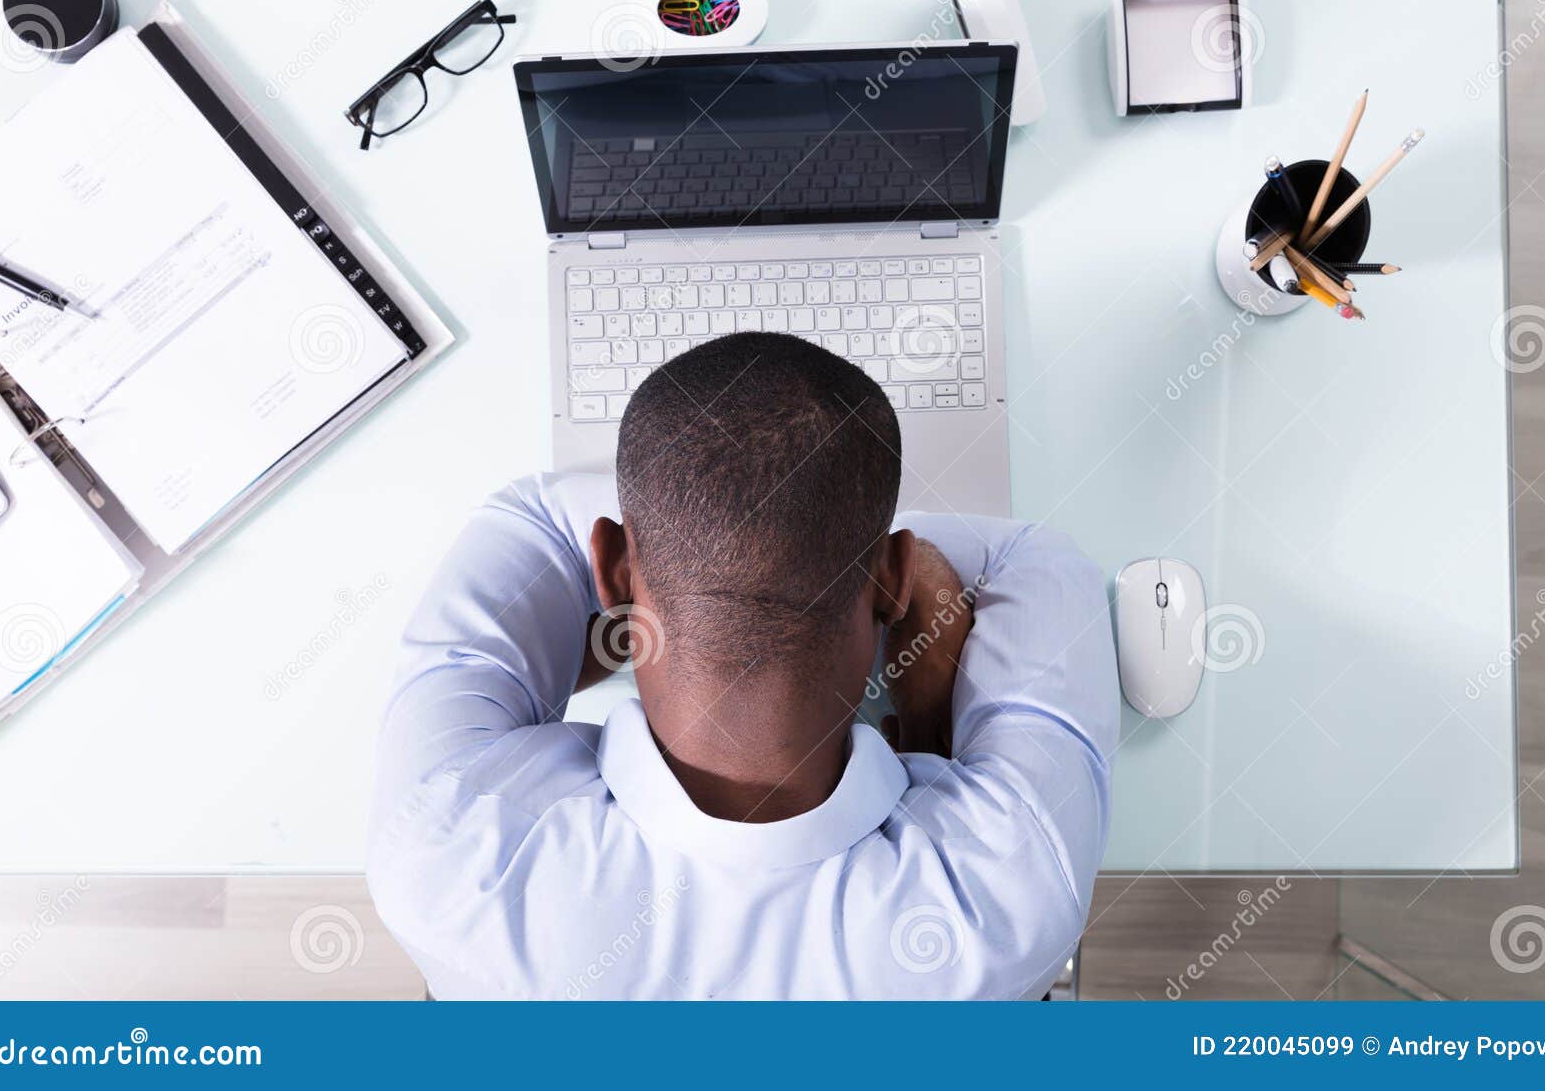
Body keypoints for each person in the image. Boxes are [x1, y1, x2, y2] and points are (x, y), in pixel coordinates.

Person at [368, 332, 1118, 998]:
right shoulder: (1009, 892)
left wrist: (690, 530)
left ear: (612, 565)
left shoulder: (446, 856)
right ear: (889, 576)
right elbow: (1034, 560)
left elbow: (535, 521)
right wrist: (924, 726)